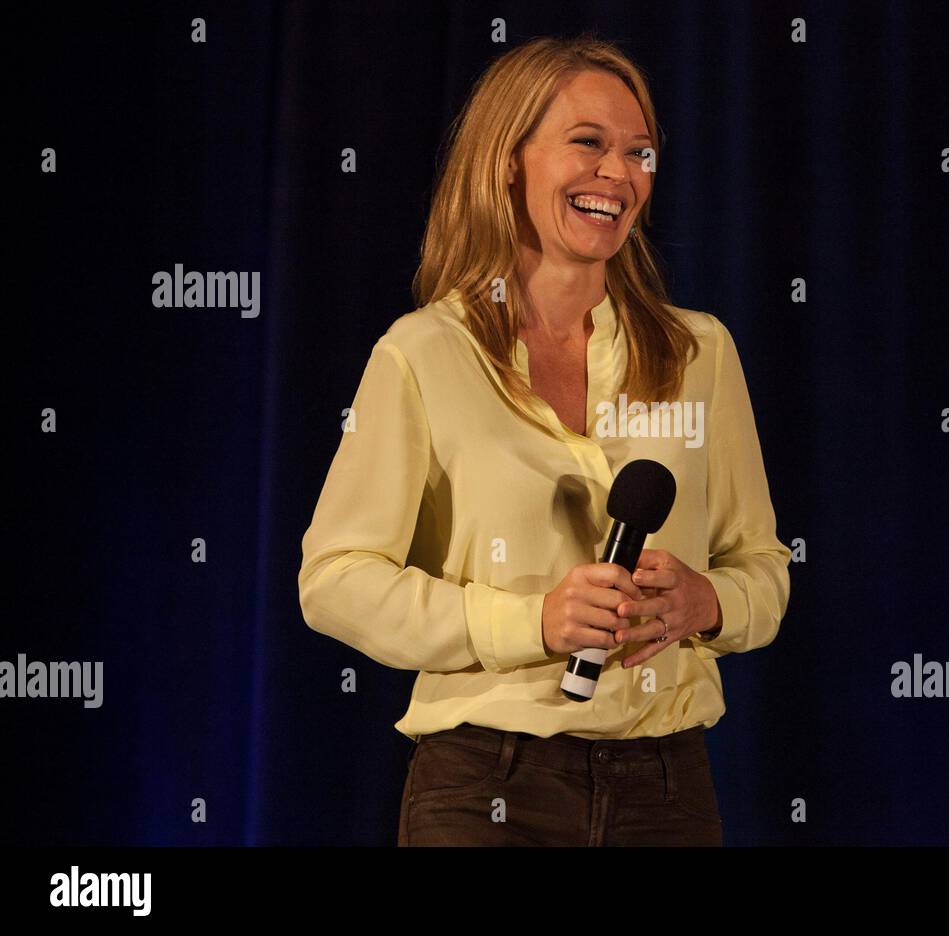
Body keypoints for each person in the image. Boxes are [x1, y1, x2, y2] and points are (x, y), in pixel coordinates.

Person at [297, 34, 791, 846]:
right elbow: (335, 581)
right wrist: (529, 623)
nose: (619, 173)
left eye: (639, 152)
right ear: (506, 163)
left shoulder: (701, 352)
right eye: (588, 144)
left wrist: (707, 603)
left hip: (666, 787)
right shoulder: (424, 354)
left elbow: (764, 566)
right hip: (486, 785)